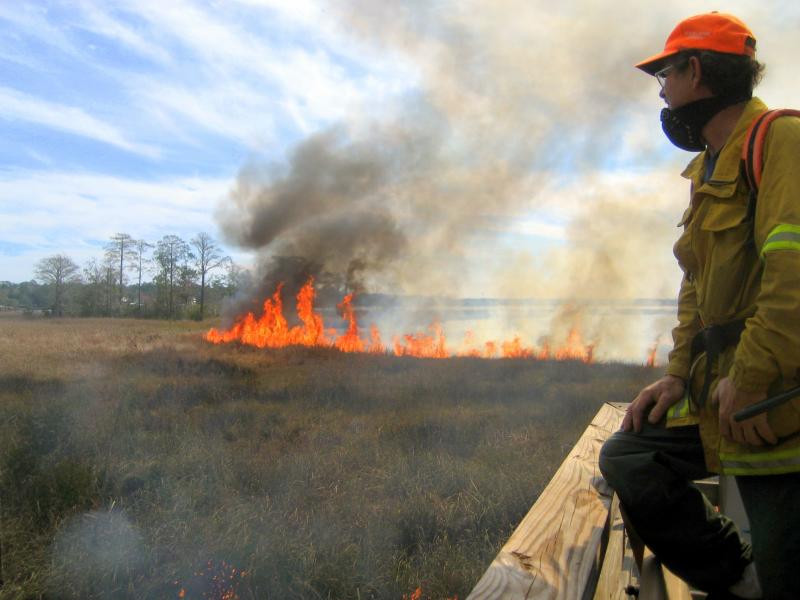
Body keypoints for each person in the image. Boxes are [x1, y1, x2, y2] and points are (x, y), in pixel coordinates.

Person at [598, 12, 800, 600]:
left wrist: (755, 375)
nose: (660, 87)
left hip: (775, 400)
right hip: (718, 392)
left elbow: (792, 273)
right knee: (631, 454)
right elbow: (695, 287)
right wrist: (678, 374)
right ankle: (732, 574)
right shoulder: (708, 168)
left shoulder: (780, 140)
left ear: (695, 70)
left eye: (664, 72)